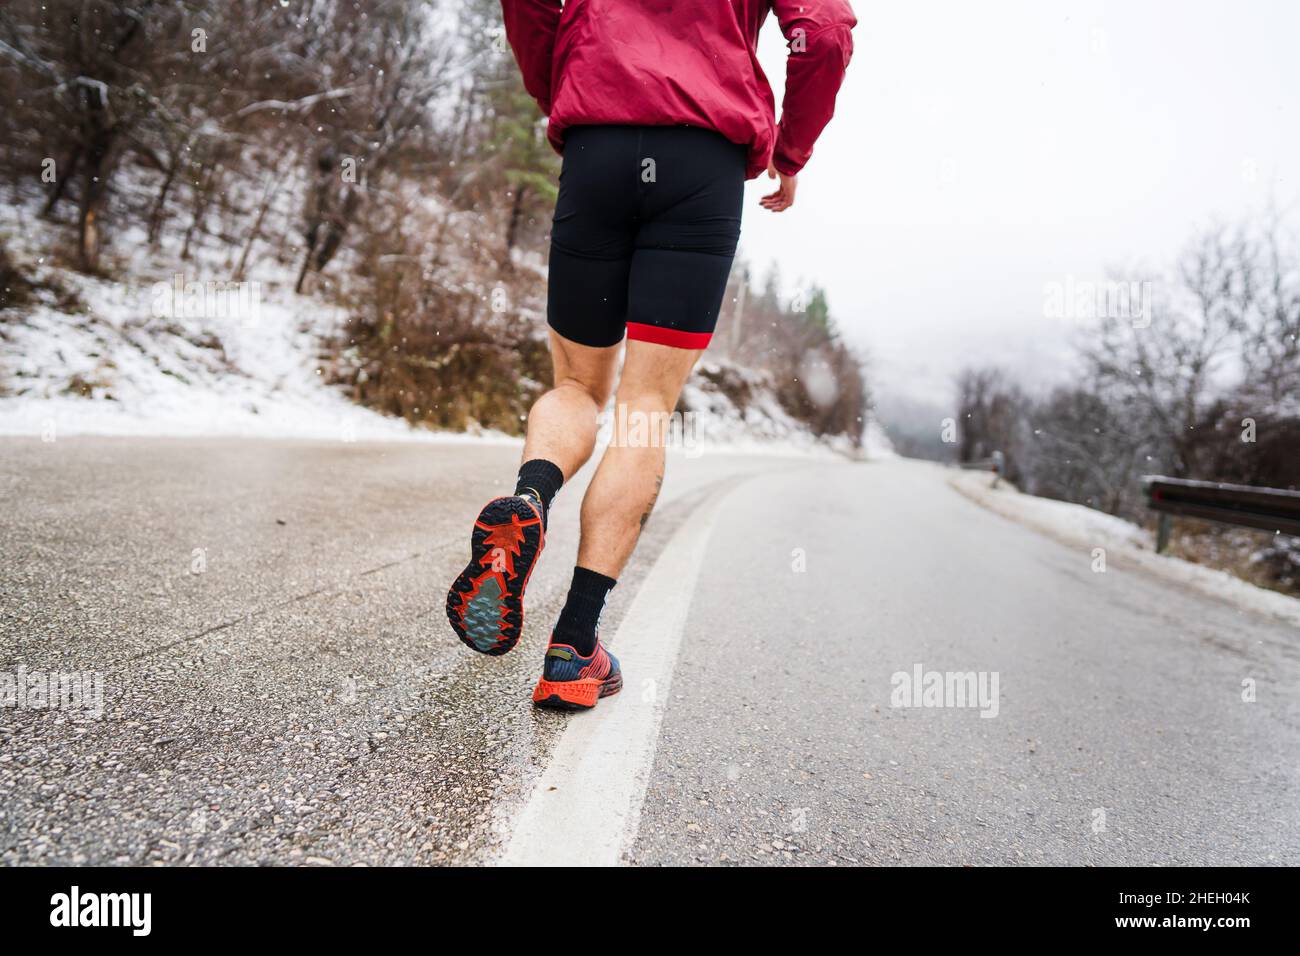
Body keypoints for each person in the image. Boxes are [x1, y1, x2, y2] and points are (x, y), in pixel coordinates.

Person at [447, 0, 856, 709]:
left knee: (576, 384)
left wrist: (568, 87)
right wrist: (790, 153)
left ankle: (530, 500)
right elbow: (823, 31)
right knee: (644, 407)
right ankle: (574, 650)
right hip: (702, 160)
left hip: (598, 144)